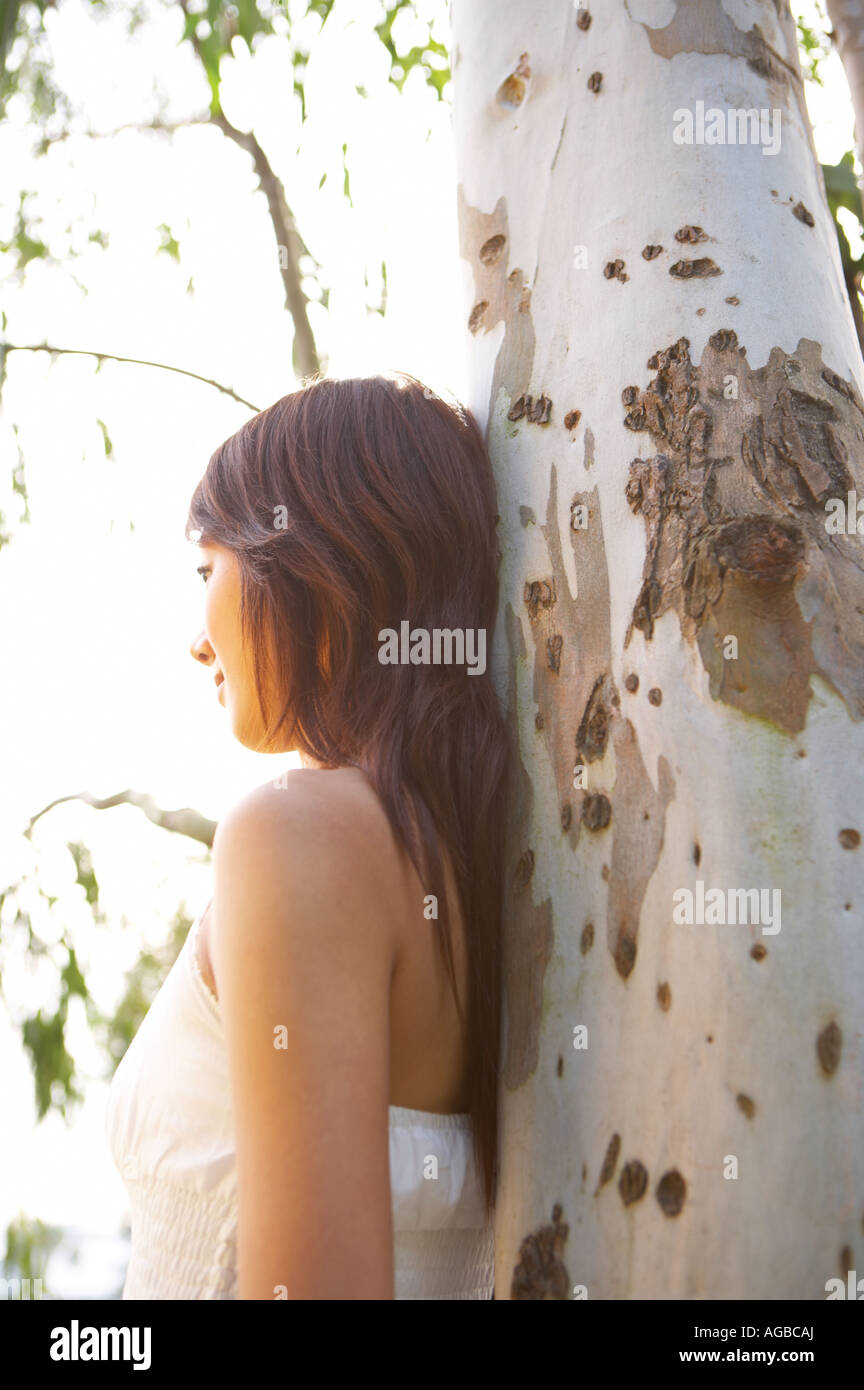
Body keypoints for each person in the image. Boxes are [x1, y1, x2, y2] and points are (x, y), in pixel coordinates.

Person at [105, 371, 512, 1299]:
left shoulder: (295, 835)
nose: (197, 640)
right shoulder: (482, 865)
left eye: (207, 569)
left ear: (317, 569)